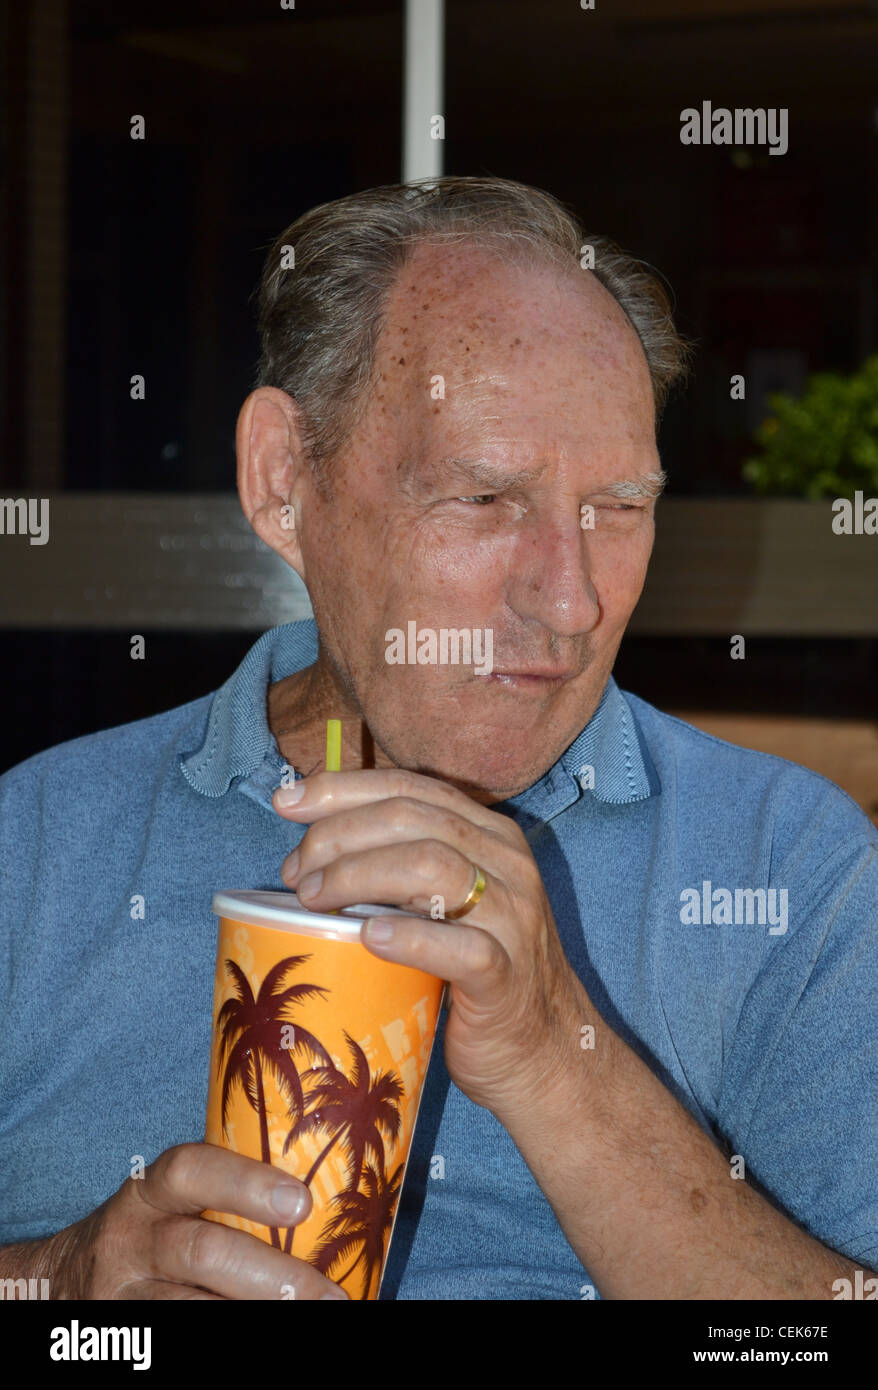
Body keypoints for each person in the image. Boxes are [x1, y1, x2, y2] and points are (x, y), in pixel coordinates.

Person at [1, 177, 875, 1301]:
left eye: (617, 506)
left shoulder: (786, 872)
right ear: (283, 480)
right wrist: (62, 1289)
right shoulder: (34, 848)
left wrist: (557, 1056)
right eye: (484, 497)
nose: (570, 601)